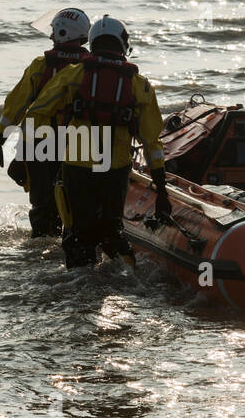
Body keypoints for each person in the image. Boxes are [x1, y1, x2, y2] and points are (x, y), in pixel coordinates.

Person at [26, 16, 170, 268]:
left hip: (77, 163)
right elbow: (152, 142)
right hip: (115, 169)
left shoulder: (74, 75)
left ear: (92, 43)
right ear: (123, 45)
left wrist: (41, 152)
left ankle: (80, 290)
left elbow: (38, 111)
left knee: (78, 233)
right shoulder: (139, 85)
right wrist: (161, 189)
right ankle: (123, 280)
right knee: (112, 230)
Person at [0, 8, 91, 237]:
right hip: (79, 144)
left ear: (64, 33)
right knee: (75, 200)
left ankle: (41, 251)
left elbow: (15, 105)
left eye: (54, 31)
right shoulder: (91, 69)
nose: (52, 36)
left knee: (43, 205)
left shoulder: (41, 65)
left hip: (40, 143)